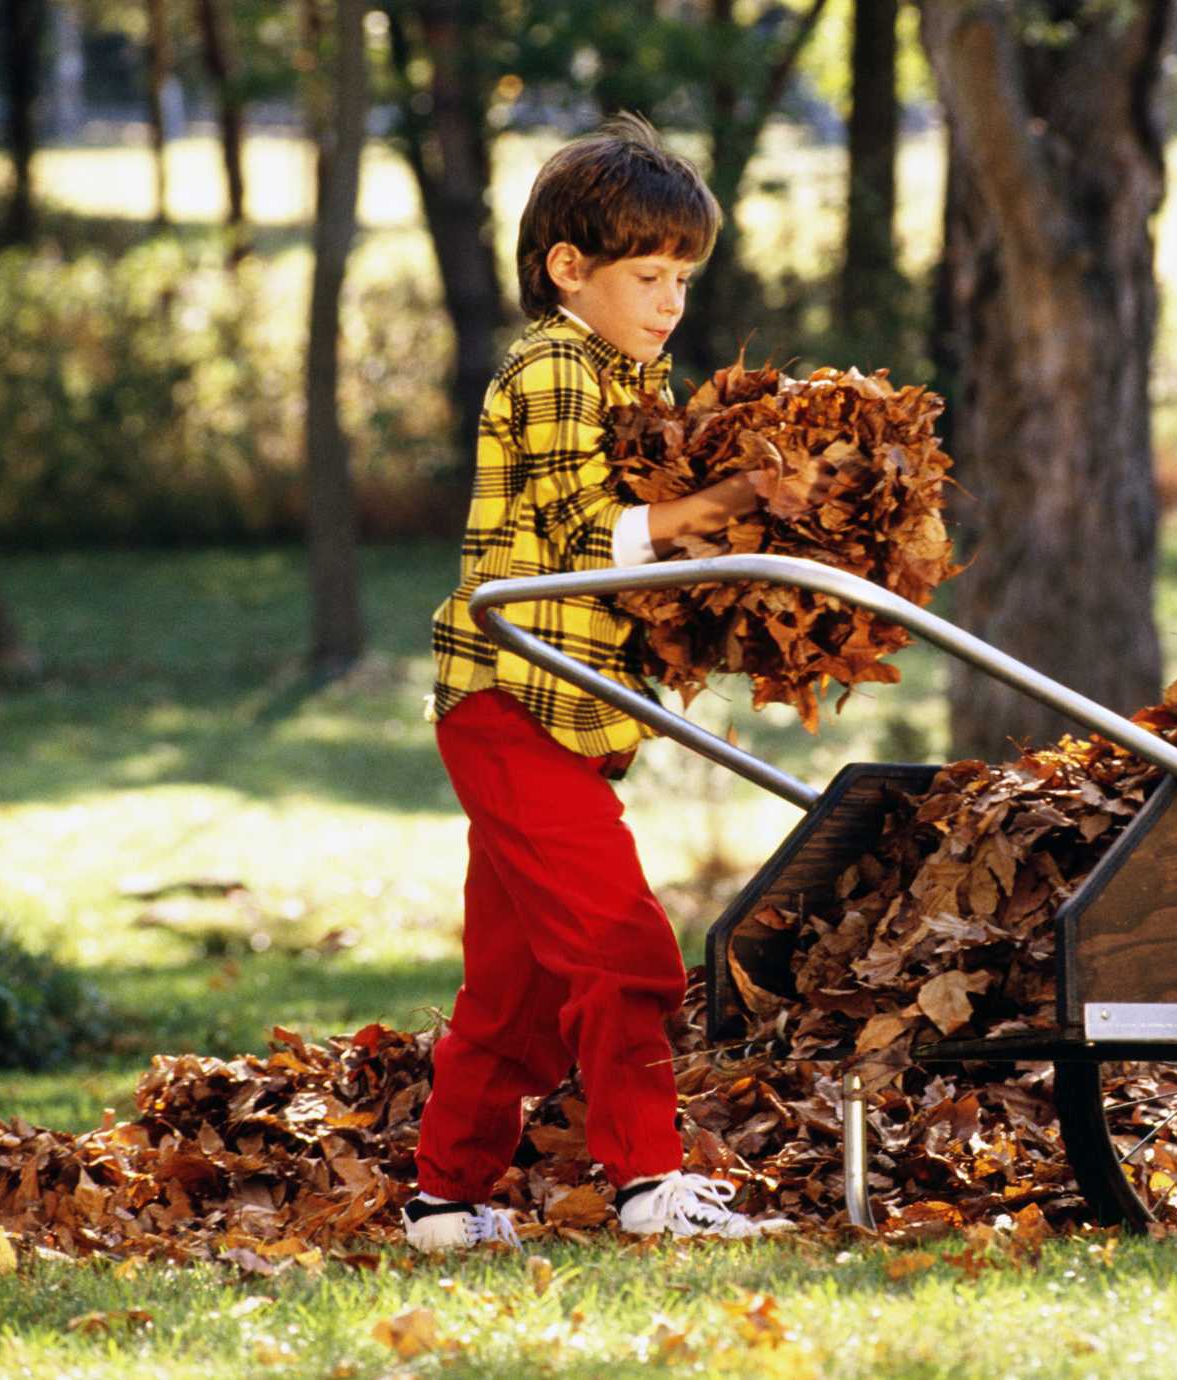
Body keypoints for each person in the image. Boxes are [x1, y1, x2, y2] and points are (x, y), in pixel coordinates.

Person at [406, 113, 786, 1251]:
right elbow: (586, 532)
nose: (670, 300)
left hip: (564, 716)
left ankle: (445, 1200)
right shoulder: (558, 367)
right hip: (511, 701)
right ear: (569, 269)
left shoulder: (627, 370)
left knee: (513, 989)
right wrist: (729, 510)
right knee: (623, 948)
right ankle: (648, 1182)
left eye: (681, 276)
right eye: (647, 275)